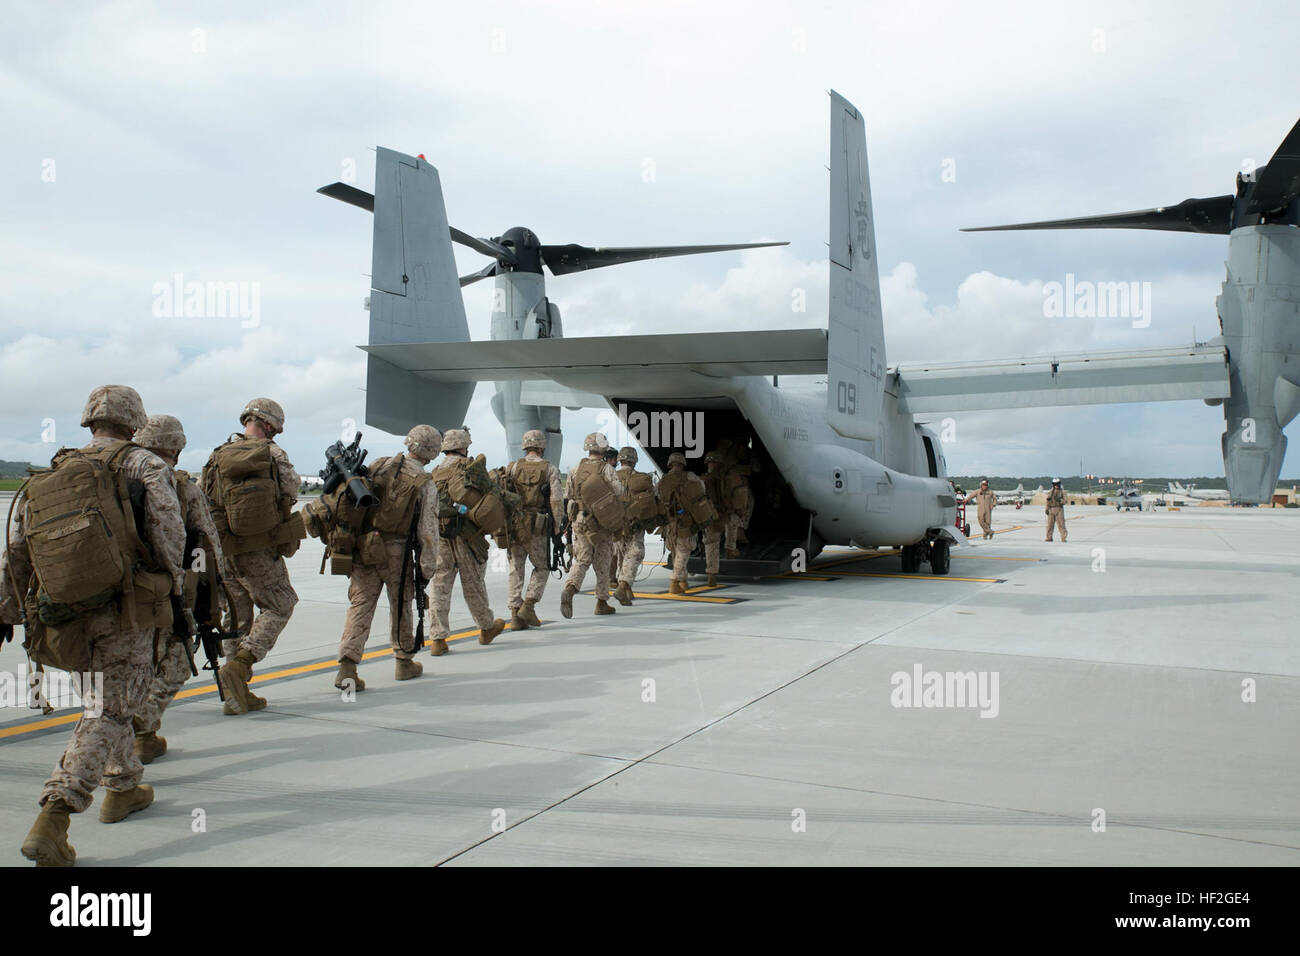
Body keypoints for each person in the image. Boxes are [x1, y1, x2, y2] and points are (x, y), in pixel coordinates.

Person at [1, 385, 184, 866]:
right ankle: (55, 814)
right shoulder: (145, 465)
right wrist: (174, 586)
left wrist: (8, 609)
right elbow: (169, 532)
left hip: (65, 615)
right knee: (108, 709)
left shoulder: (54, 472)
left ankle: (123, 787)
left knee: (104, 700)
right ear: (134, 421)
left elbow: (17, 549)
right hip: (125, 610)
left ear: (90, 420)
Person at [130, 414, 224, 763]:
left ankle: (130, 739)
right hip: (164, 593)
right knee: (178, 661)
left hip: (117, 596)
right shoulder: (181, 486)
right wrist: (212, 593)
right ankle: (142, 730)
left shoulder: (109, 477)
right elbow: (206, 543)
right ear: (175, 448)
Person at [201, 398, 303, 715]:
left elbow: (204, 497)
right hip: (258, 548)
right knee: (281, 603)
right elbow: (292, 489)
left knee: (237, 618)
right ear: (270, 426)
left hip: (224, 552)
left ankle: (236, 695)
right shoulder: (272, 453)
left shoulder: (218, 455)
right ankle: (241, 667)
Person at [331, 425, 442, 687]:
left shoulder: (379, 464)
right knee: (401, 606)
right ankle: (404, 662)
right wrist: (427, 571)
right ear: (432, 451)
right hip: (398, 552)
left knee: (361, 605)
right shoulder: (425, 483)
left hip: (367, 544)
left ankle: (347, 666)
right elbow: (428, 532)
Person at [428, 429, 506, 654]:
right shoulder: (468, 467)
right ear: (463, 447)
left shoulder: (435, 471)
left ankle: (438, 639)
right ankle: (486, 627)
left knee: (440, 585)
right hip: (466, 535)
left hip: (441, 535)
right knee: (473, 583)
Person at [559, 433, 625, 618]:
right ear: (603, 448)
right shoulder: (606, 469)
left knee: (581, 559)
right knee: (603, 560)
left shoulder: (575, 468)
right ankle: (602, 602)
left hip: (579, 520)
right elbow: (619, 491)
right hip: (601, 521)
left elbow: (568, 494)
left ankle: (570, 589)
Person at [502, 430, 563, 630]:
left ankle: (515, 615)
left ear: (525, 446)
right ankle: (529, 604)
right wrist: (557, 524)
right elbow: (555, 499)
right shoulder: (549, 469)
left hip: (515, 524)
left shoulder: (512, 467)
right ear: (541, 447)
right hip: (538, 525)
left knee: (515, 568)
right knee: (542, 567)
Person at [658, 452, 714, 594]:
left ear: (670, 464)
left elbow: (657, 497)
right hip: (685, 521)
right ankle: (674, 581)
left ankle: (683, 581)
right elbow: (702, 491)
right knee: (684, 550)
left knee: (676, 552)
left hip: (669, 522)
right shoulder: (690, 477)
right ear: (682, 464)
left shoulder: (663, 479)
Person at [610, 446, 657, 606]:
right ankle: (623, 585)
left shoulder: (611, 477)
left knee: (622, 554)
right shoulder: (641, 478)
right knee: (636, 553)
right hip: (635, 523)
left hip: (615, 524)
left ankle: (626, 591)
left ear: (620, 460)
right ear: (634, 461)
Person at [701, 451, 729, 586]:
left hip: (707, 515)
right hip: (723, 514)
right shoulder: (726, 478)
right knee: (714, 543)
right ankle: (712, 573)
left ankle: (711, 574)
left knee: (710, 544)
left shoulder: (703, 480)